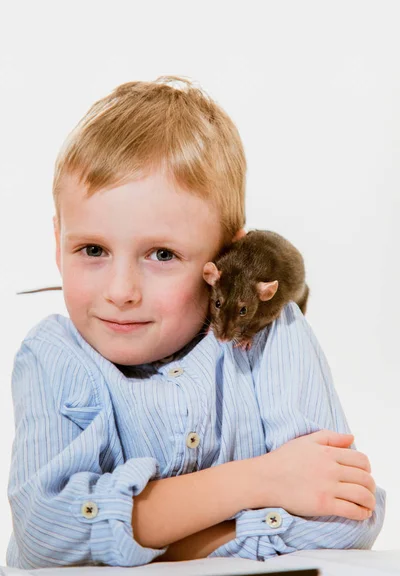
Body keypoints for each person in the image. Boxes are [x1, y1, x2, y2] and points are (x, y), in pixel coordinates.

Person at [7, 76, 385, 568]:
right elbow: (45, 532)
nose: (121, 291)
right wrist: (260, 481)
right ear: (58, 242)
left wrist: (136, 542)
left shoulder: (275, 337)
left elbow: (346, 515)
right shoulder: (53, 356)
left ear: (226, 258)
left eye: (162, 254)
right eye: (92, 250)